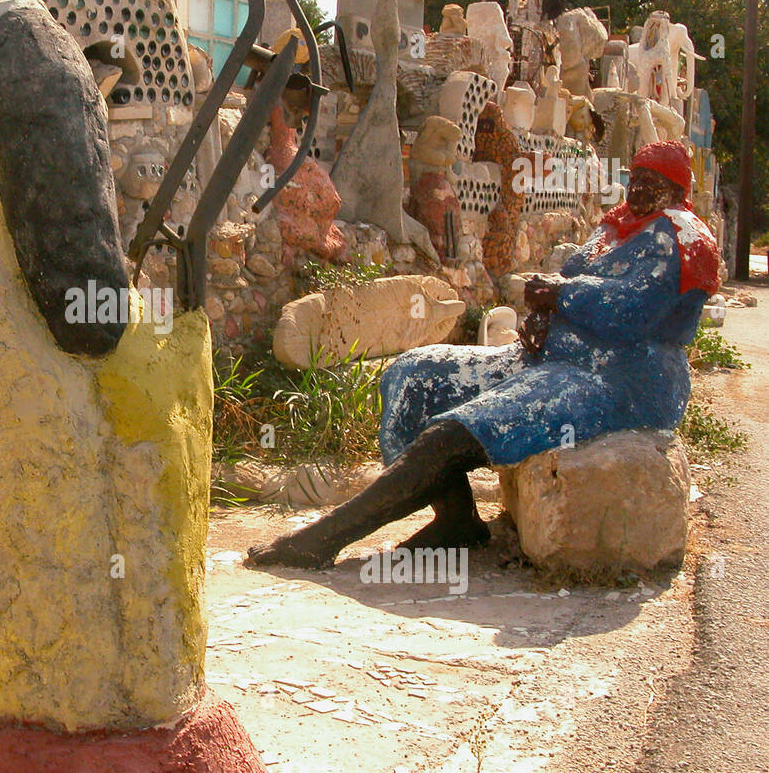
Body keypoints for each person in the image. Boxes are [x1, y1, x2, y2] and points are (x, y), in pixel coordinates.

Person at [247, 140, 721, 569]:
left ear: (677, 192)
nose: (638, 188)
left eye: (652, 183)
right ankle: (456, 520)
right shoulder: (615, 228)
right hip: (550, 358)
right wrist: (541, 315)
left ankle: (322, 539)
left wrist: (560, 295)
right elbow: (564, 283)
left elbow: (633, 310)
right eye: (635, 177)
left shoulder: (680, 237)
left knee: (456, 431)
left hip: (618, 378)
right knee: (414, 375)